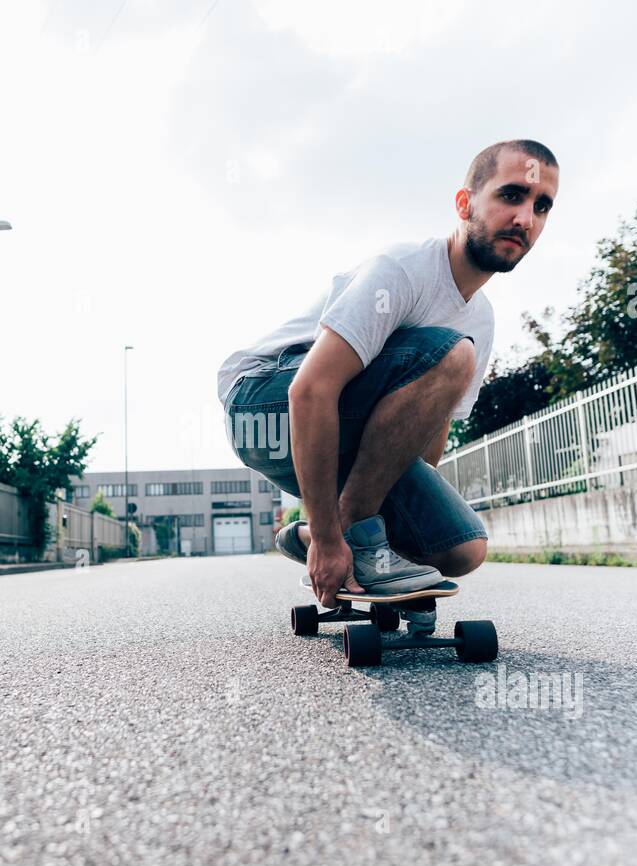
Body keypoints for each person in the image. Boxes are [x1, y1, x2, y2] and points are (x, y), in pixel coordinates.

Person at [217, 139, 559, 607]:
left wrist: (402, 540)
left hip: (340, 422)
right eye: (511, 195)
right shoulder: (402, 270)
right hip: (264, 404)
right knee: (454, 354)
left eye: (542, 206)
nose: (526, 218)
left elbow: (428, 436)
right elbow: (310, 392)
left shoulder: (481, 319)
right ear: (464, 203)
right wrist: (329, 539)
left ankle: (336, 532)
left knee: (462, 549)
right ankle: (341, 531)